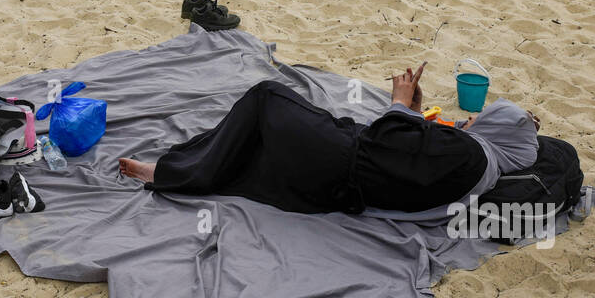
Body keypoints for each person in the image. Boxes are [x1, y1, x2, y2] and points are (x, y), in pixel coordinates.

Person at [117, 63, 542, 218]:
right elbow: (409, 161)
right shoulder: (479, 163)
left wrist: (398, 102)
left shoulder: (468, 153)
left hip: (343, 164)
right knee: (264, 136)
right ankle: (189, 161)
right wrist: (413, 113)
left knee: (266, 96)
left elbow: (389, 142)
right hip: (347, 181)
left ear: (496, 133)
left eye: (480, 119)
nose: (469, 121)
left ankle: (174, 173)